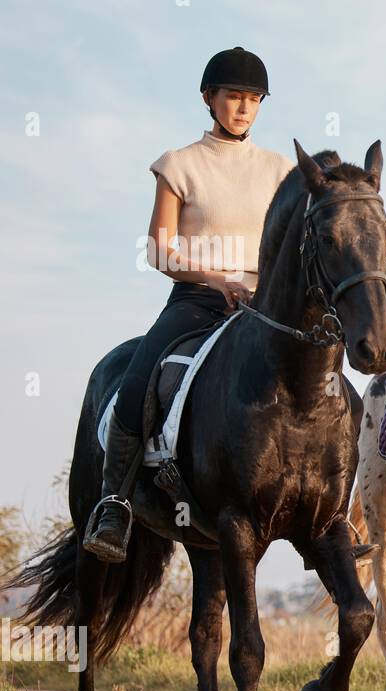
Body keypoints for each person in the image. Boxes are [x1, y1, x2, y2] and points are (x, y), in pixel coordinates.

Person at [82, 47, 295, 564]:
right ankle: (114, 502)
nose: (243, 108)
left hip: (262, 308)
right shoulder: (179, 164)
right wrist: (216, 279)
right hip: (199, 298)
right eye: (232, 97)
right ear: (209, 99)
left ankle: (328, 514)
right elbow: (160, 249)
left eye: (252, 99)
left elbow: (293, 247)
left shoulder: (280, 170)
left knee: (323, 383)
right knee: (138, 377)